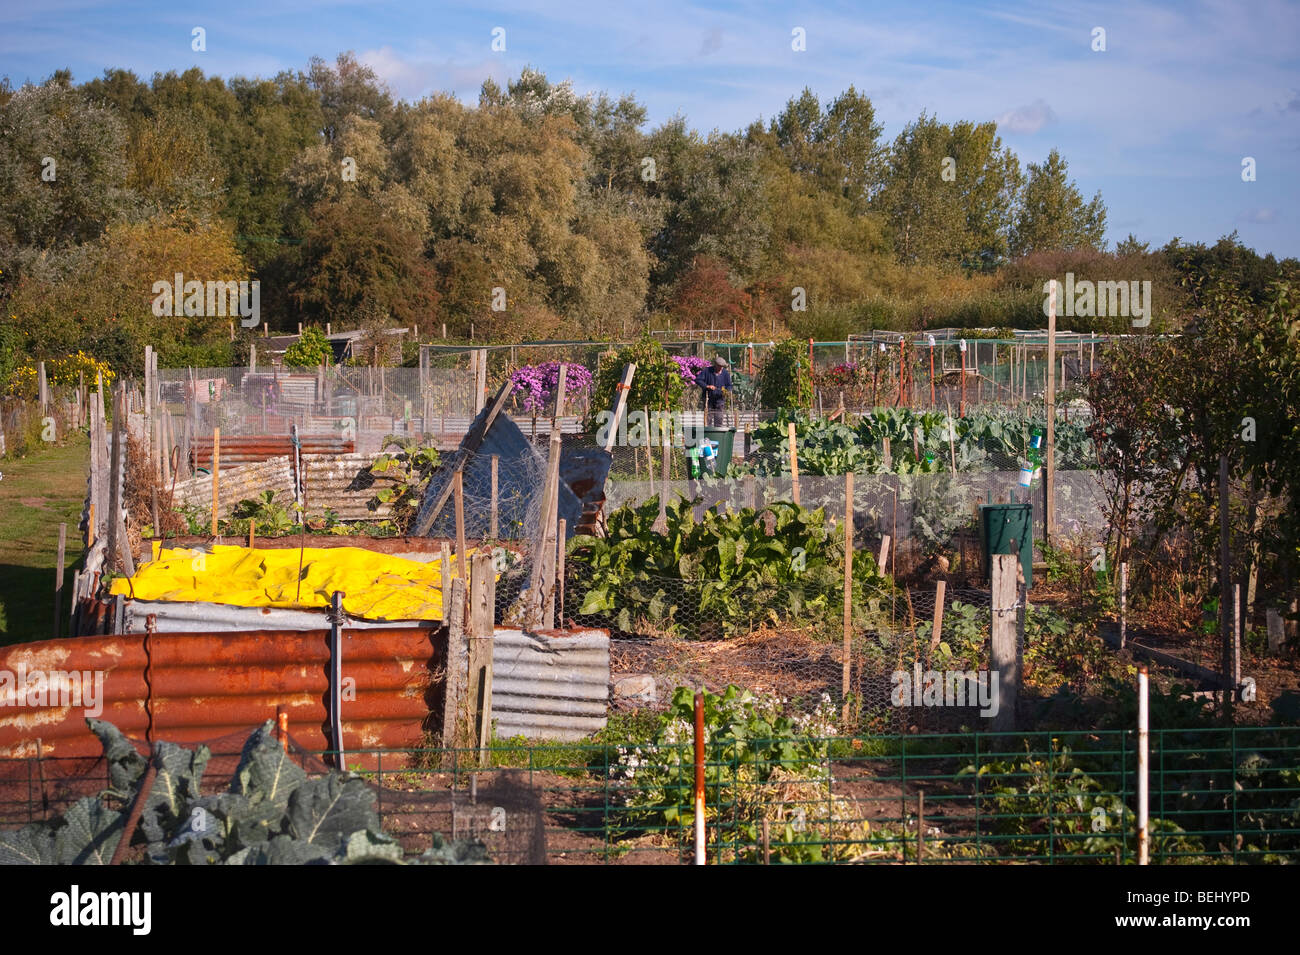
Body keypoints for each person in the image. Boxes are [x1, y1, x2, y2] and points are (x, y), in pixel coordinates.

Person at [694, 356, 731, 427]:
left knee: (719, 418)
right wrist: (707, 386)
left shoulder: (725, 373)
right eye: (719, 366)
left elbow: (729, 385)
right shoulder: (707, 371)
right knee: (708, 418)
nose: (721, 368)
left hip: (720, 399)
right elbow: (698, 380)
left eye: (722, 367)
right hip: (708, 398)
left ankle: (718, 434)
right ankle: (708, 435)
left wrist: (726, 391)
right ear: (715, 365)